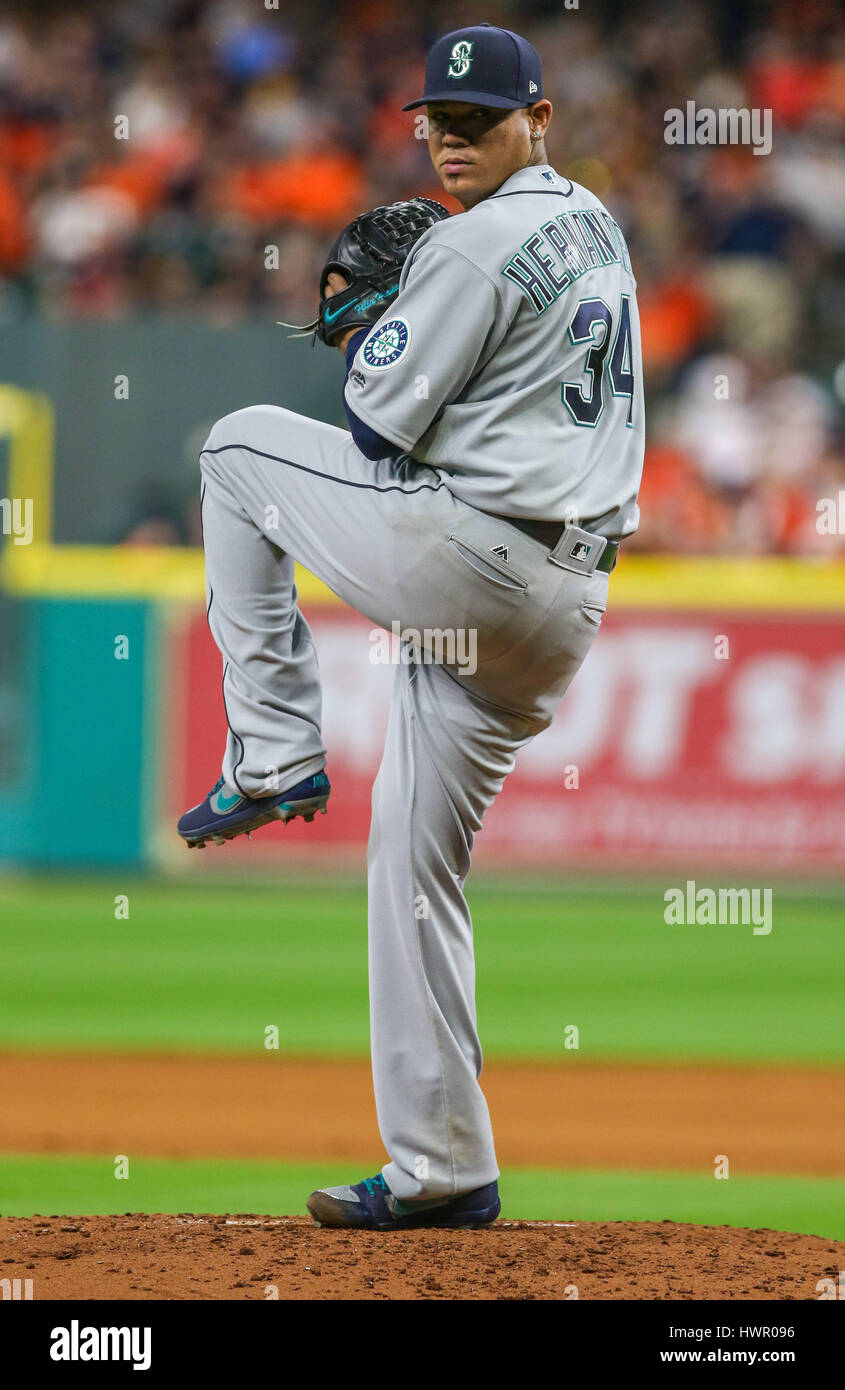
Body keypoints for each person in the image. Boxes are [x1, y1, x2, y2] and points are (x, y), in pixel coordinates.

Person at [178, 23, 644, 1231]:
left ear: (537, 118)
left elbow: (377, 429)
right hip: (562, 607)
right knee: (411, 862)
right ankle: (443, 1168)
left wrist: (384, 317)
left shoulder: (468, 243)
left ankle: (272, 750)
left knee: (234, 449)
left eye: (477, 121)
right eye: (438, 120)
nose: (451, 140)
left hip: (473, 560)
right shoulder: (594, 220)